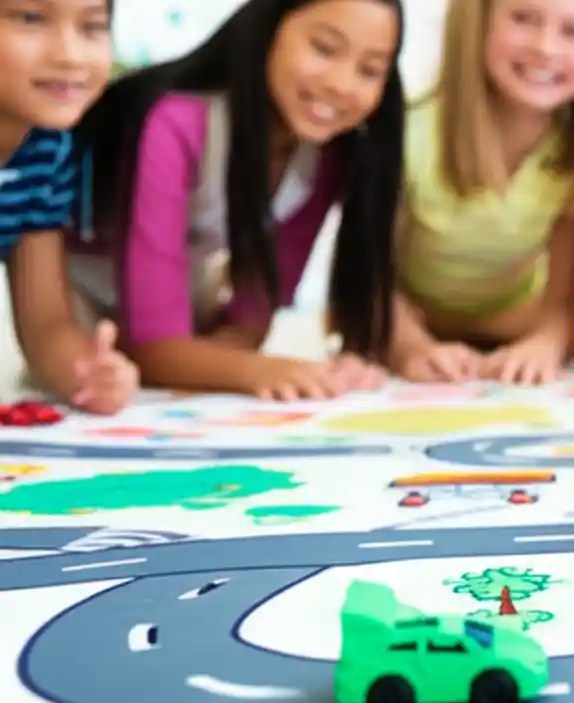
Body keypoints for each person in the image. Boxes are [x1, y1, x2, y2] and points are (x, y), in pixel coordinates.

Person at [66, 0, 406, 401]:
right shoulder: (177, 122)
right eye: (324, 48)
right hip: (76, 303)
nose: (342, 84)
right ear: (267, 29)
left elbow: (251, 320)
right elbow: (155, 345)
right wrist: (251, 368)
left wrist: (219, 361)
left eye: (369, 70)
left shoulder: (325, 156)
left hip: (178, 297)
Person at [389, 0, 574, 386]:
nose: (545, 47)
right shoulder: (408, 135)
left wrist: (547, 342)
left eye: (572, 31)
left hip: (513, 327)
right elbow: (370, 272)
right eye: (523, 18)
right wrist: (409, 346)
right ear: (479, 22)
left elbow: (565, 290)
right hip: (406, 326)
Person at [0, 0, 137, 414]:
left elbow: (45, 323)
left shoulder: (47, 149)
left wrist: (87, 373)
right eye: (30, 18)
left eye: (92, 26)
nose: (69, 55)